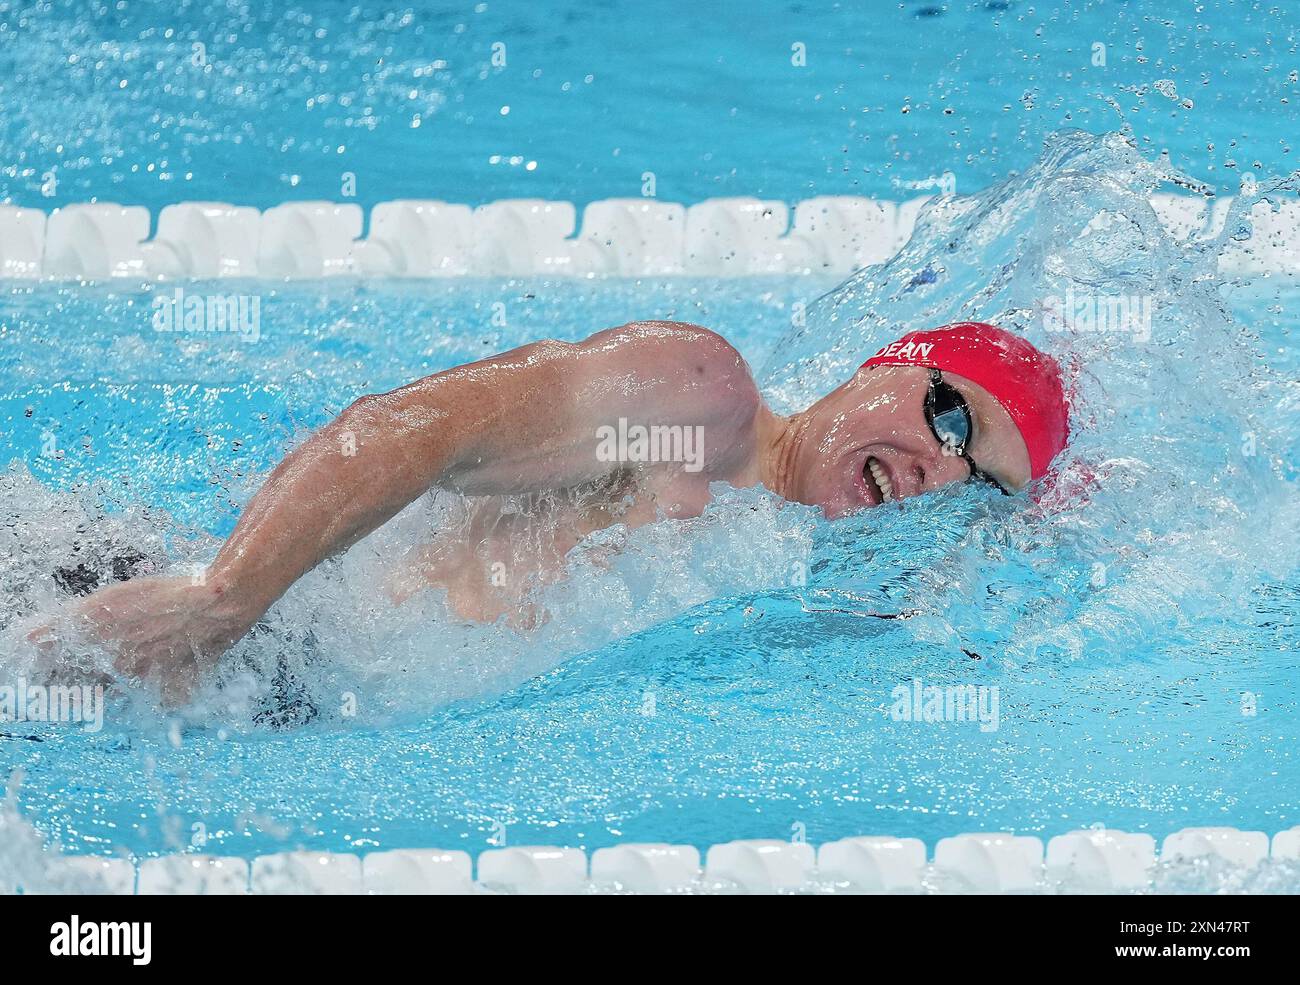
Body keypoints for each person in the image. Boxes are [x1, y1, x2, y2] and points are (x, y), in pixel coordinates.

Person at [34, 319, 1069, 702]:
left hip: (283, 700)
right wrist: (223, 599)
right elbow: (409, 428)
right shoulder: (700, 409)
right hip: (238, 637)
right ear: (886, 362)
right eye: (947, 414)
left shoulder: (801, 568)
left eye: (978, 482)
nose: (940, 468)